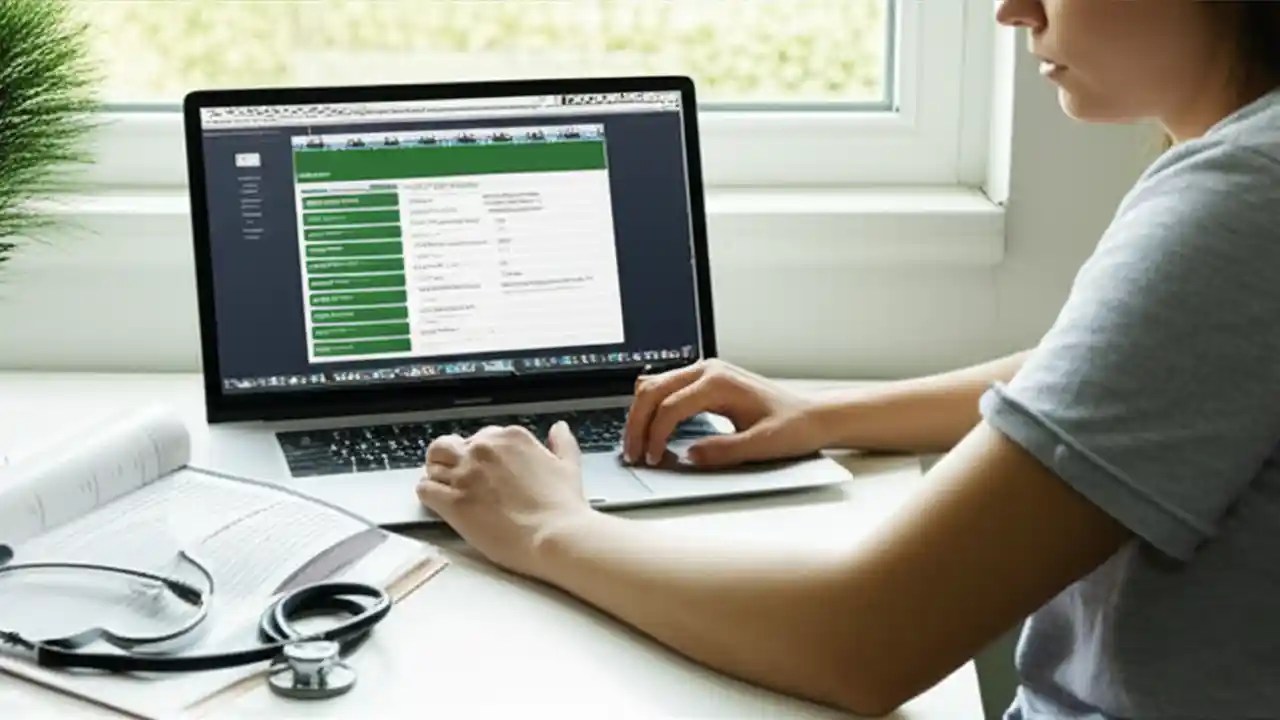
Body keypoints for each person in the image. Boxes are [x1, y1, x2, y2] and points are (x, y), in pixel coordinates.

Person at [416, 2, 1280, 717]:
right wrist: (825, 413)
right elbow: (1106, 372)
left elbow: (867, 640)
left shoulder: (1243, 203)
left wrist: (549, 528)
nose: (1012, 10)